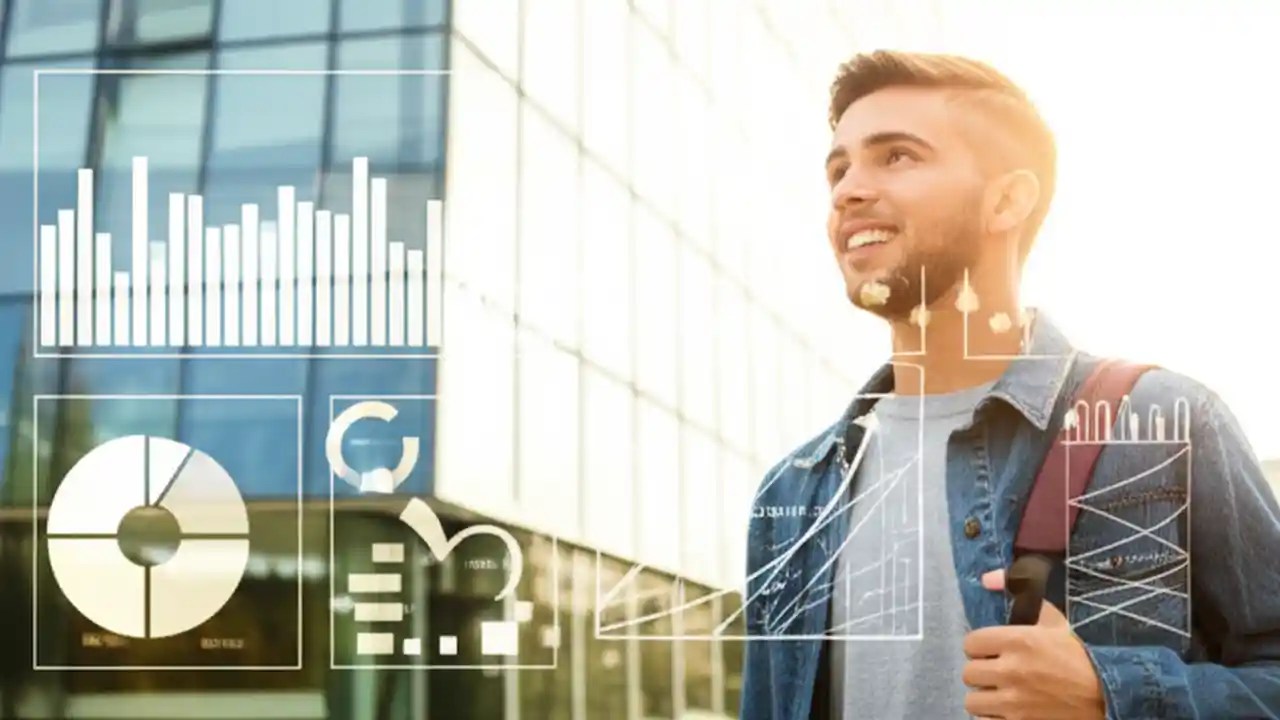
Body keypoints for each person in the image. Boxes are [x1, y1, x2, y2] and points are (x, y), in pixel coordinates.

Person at [738, 49, 1280, 720]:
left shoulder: (1163, 422)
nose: (848, 191)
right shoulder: (794, 491)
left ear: (1006, 201)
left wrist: (1111, 693)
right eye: (838, 169)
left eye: (897, 156)